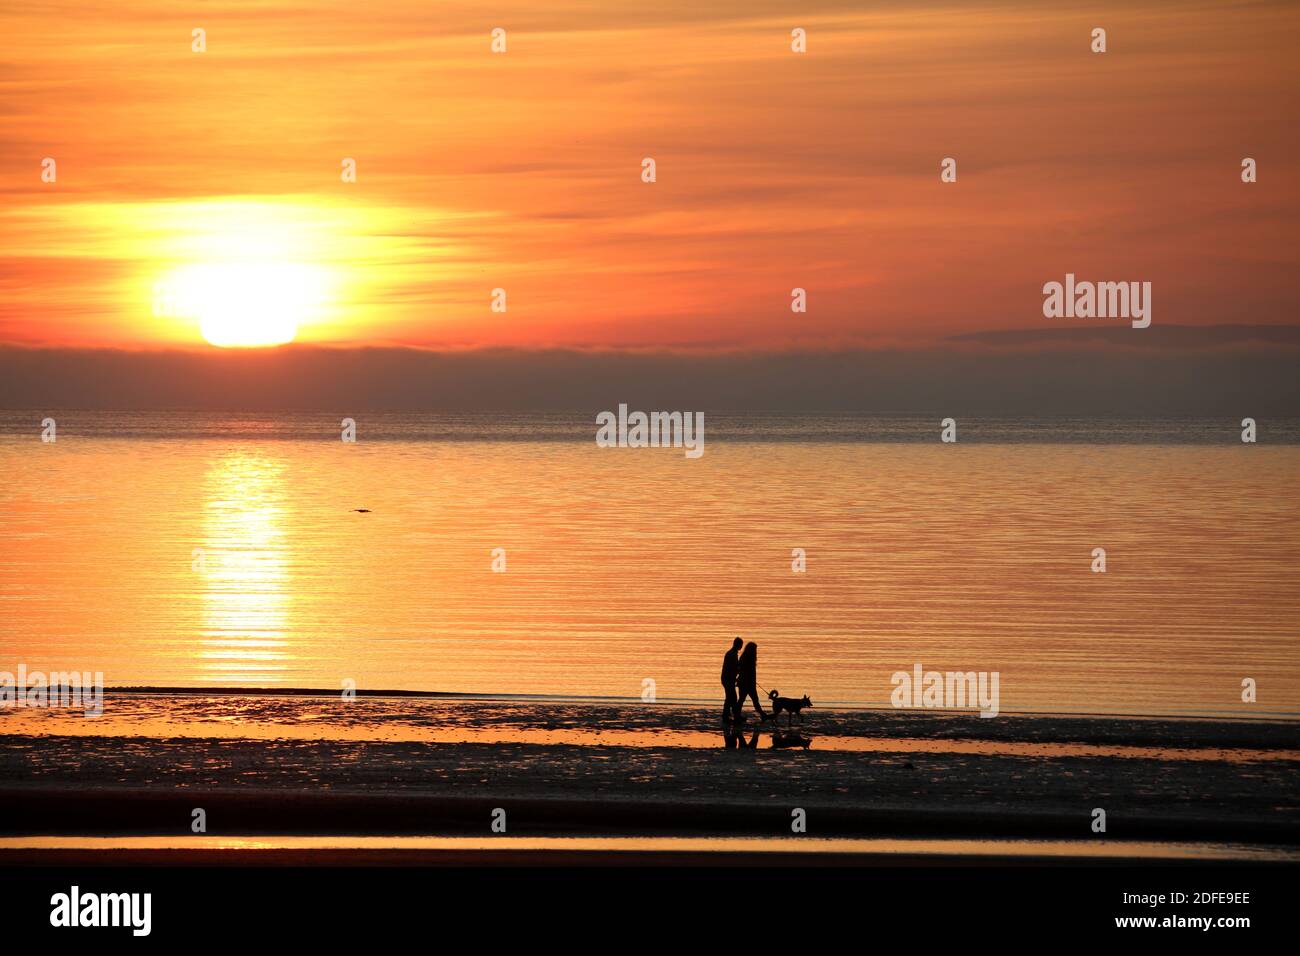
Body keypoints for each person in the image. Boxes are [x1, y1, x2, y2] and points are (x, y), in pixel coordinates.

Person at [735, 641, 768, 722]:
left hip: (746, 682)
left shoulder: (745, 657)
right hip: (747, 683)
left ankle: (737, 715)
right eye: (755, 649)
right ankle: (762, 715)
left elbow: (741, 669)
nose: (756, 651)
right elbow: (744, 670)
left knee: (744, 700)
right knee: (750, 700)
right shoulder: (747, 658)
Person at [720, 637, 743, 724]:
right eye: (741, 645)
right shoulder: (732, 654)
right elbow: (733, 668)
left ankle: (730, 715)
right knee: (732, 697)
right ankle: (730, 716)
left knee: (730, 697)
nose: (741, 647)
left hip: (727, 678)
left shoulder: (731, 653)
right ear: (738, 645)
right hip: (728, 679)